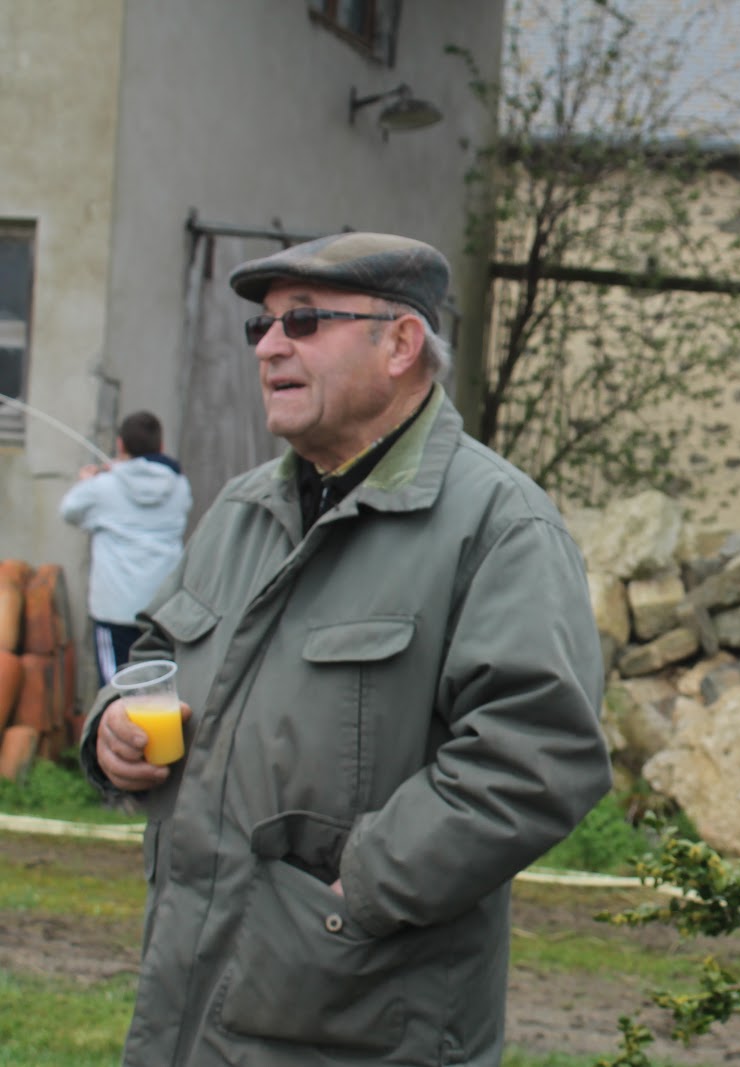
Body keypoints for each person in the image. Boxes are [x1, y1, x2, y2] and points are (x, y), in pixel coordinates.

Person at [78, 232, 613, 1066]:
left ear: (400, 344)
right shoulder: (242, 508)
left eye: (304, 321)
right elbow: (155, 650)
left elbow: (539, 756)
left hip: (355, 1017)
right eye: (261, 325)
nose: (269, 346)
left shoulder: (499, 525)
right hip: (194, 999)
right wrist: (113, 724)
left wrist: (359, 887)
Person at [58, 411, 192, 685]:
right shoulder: (179, 486)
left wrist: (88, 482)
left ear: (120, 445)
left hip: (114, 610)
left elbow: (69, 511)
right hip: (160, 608)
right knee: (156, 688)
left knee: (113, 691)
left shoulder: (103, 487)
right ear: (161, 446)